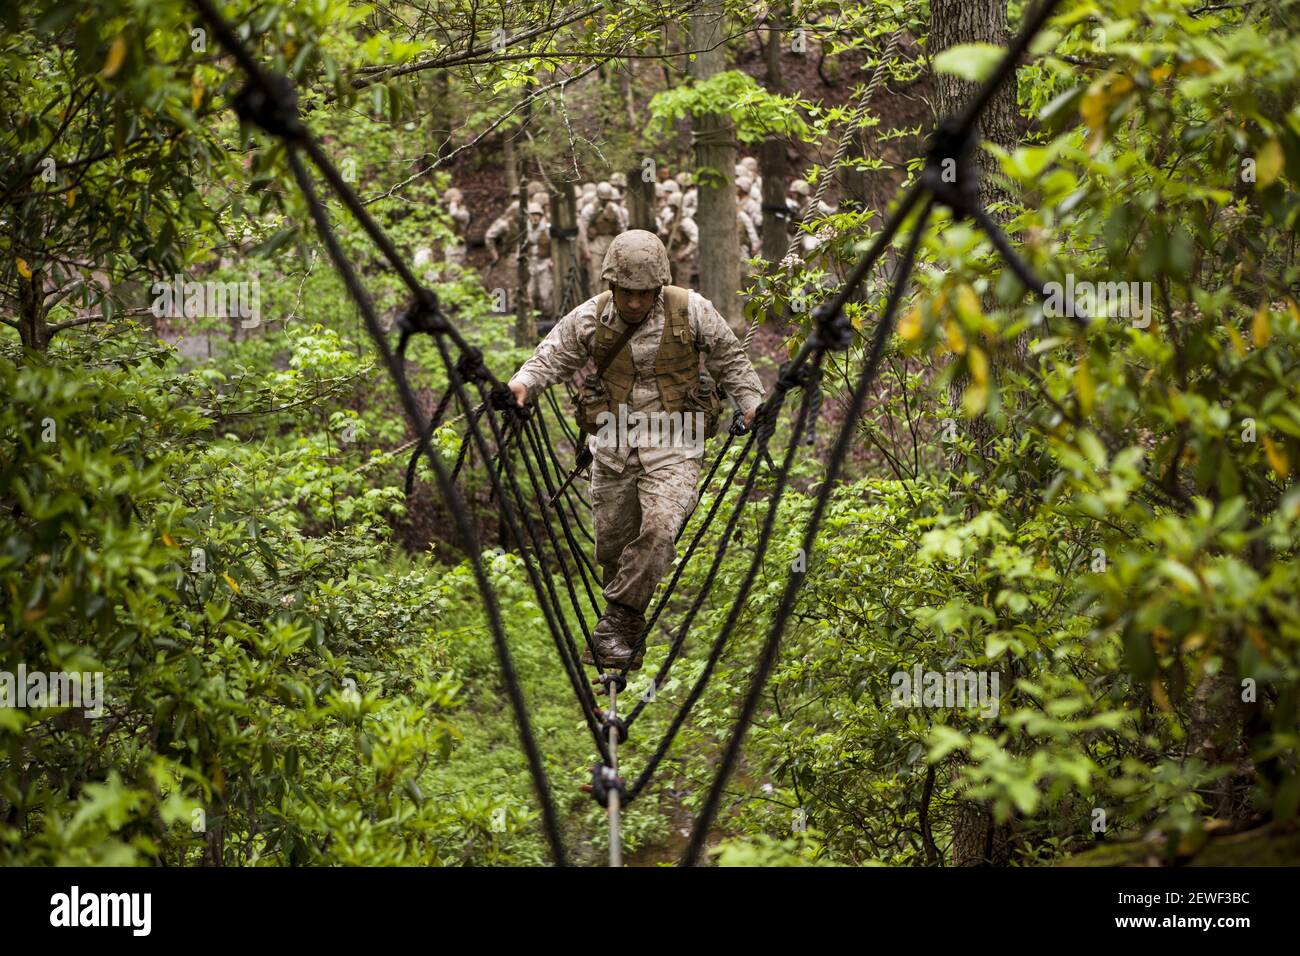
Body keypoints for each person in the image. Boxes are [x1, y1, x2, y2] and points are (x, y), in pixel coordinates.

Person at [506, 231, 763, 669]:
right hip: (612, 445)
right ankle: (624, 634)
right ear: (612, 285)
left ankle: (620, 622)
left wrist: (753, 402)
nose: (634, 303)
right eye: (626, 292)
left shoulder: (692, 310)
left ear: (659, 286)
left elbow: (730, 359)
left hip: (676, 442)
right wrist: (521, 385)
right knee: (613, 551)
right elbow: (552, 355)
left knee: (661, 530)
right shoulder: (593, 317)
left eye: (644, 294)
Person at [578, 181, 628, 282]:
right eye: (602, 199)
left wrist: (623, 247)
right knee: (595, 277)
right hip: (595, 244)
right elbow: (583, 231)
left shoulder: (614, 209)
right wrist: (586, 250)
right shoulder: (589, 209)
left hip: (611, 243)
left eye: (607, 199)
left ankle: (609, 297)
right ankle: (596, 297)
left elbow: (622, 228)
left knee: (611, 277)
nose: (605, 201)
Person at [525, 203, 554, 319]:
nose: (535, 217)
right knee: (529, 292)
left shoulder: (547, 229)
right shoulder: (525, 230)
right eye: (532, 215)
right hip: (530, 263)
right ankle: (531, 319)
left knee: (545, 294)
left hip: (544, 263)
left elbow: (554, 247)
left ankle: (547, 316)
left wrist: (552, 260)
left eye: (537, 215)